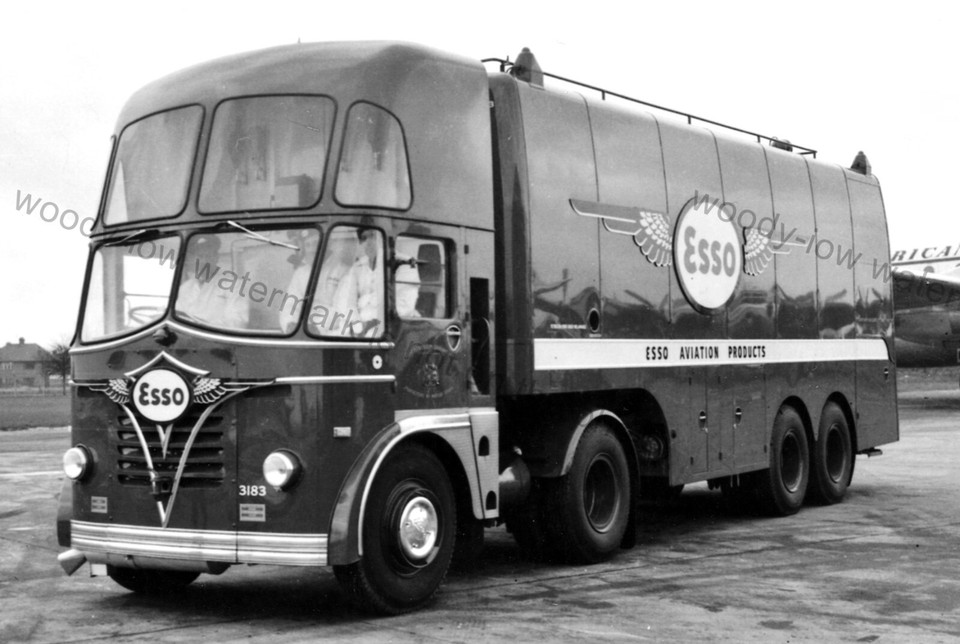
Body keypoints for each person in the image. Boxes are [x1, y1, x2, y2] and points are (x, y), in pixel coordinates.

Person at [176, 234, 248, 329]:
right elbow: (178, 317)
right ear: (193, 259)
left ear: (216, 258)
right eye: (200, 256)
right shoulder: (185, 288)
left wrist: (199, 325)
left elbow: (238, 323)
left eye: (208, 256)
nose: (204, 261)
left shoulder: (234, 285)